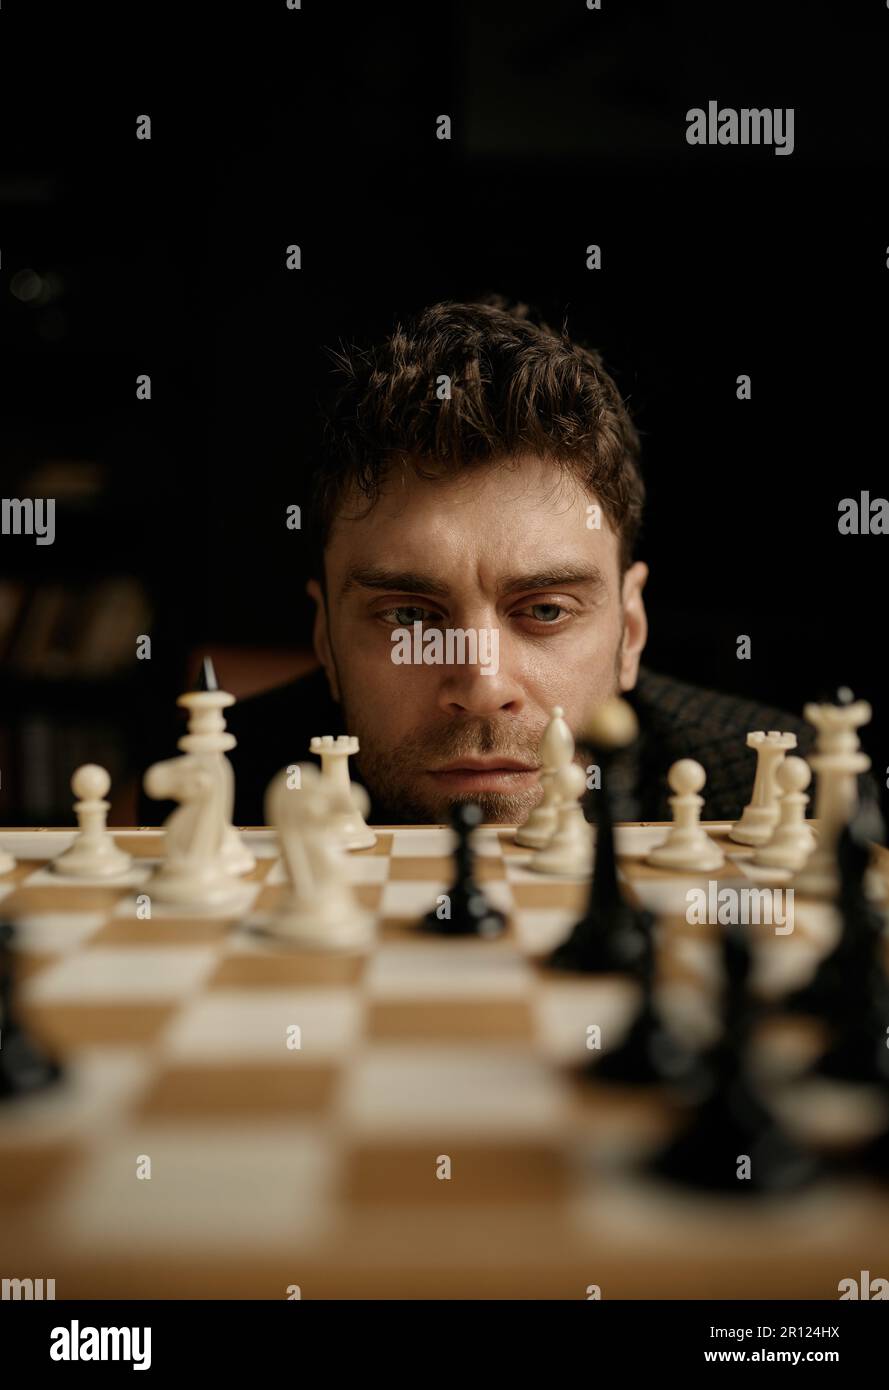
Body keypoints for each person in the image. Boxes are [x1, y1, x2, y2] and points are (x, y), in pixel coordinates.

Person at [217, 295, 813, 826]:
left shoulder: (776, 782)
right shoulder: (222, 784)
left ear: (630, 633)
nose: (482, 685)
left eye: (547, 610)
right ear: (325, 638)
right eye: (409, 618)